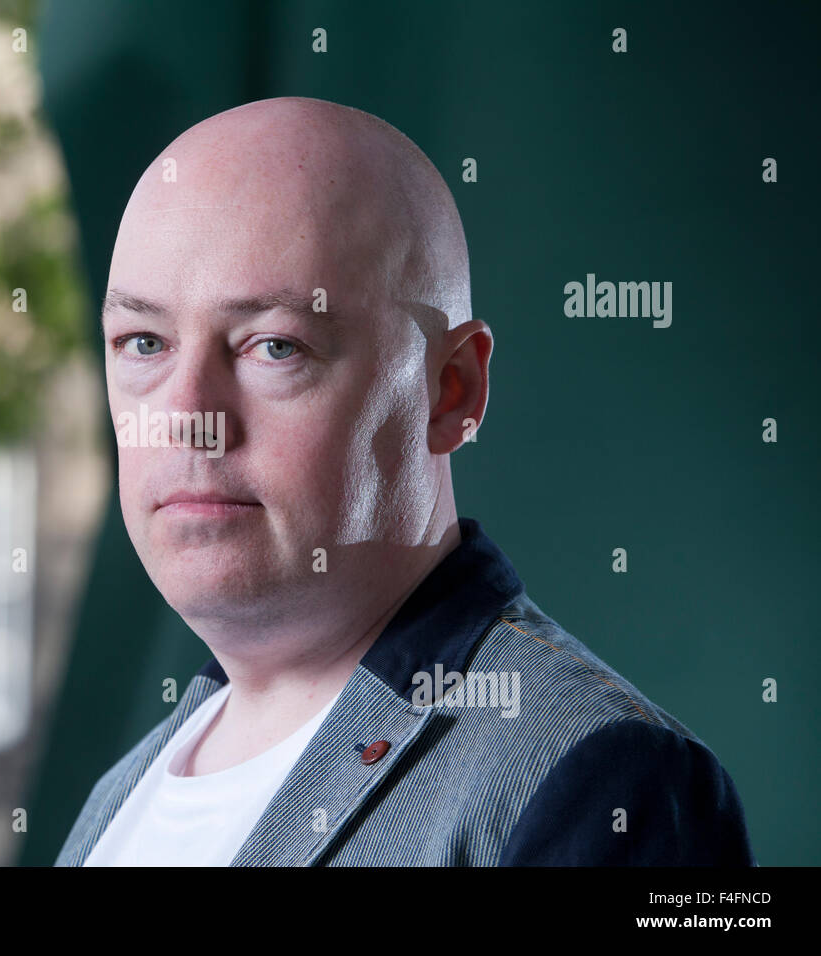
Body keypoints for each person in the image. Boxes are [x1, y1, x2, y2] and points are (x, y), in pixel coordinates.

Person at [55, 96, 754, 866]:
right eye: (144, 341)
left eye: (274, 347)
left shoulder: (611, 785)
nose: (187, 419)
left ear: (451, 389)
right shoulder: (117, 799)